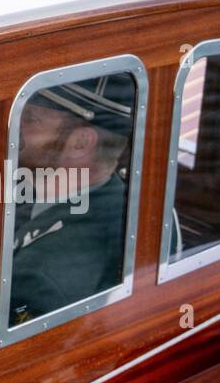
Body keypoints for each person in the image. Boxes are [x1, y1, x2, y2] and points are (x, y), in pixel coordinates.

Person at [8, 75, 135, 325]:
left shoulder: (39, 277)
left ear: (79, 143)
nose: (14, 125)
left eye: (30, 119)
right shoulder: (119, 197)